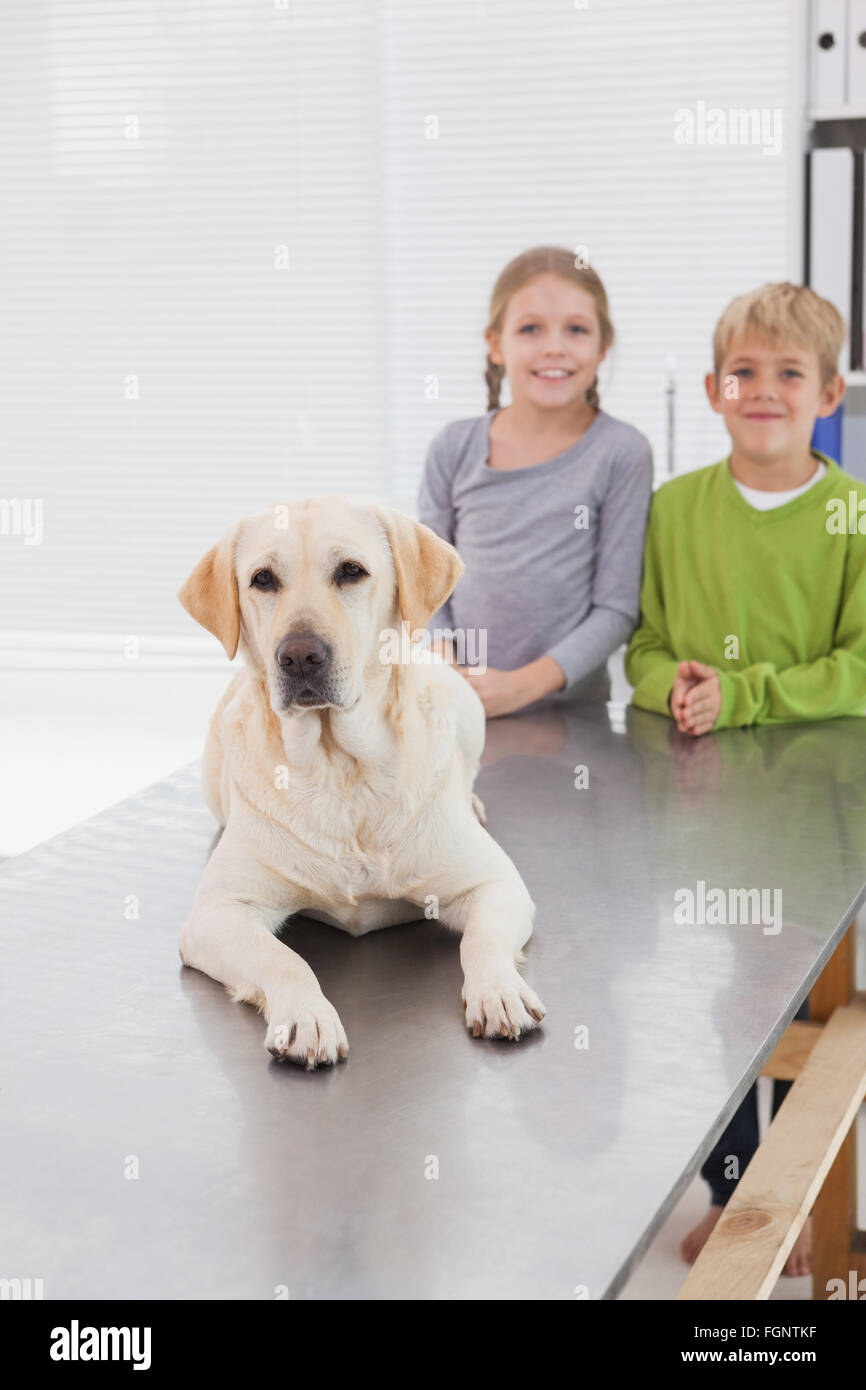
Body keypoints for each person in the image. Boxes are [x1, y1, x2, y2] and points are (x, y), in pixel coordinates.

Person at [625, 280, 866, 1274]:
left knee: (809, 1014)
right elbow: (641, 649)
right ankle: (733, 1198)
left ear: (826, 398)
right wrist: (673, 688)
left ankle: (808, 1204)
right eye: (742, 373)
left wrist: (746, 695)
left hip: (821, 813)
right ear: (716, 389)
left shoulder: (850, 515)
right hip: (697, 811)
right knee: (722, 1008)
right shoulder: (673, 510)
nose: (762, 390)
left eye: (787, 374)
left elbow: (858, 665)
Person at [417, 245, 653, 718]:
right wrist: (445, 665)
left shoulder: (622, 453)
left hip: (571, 720)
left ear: (603, 345)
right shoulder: (453, 448)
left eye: (577, 330)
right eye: (530, 329)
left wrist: (521, 687)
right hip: (457, 708)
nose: (554, 347)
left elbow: (616, 610)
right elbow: (426, 587)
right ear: (496, 343)